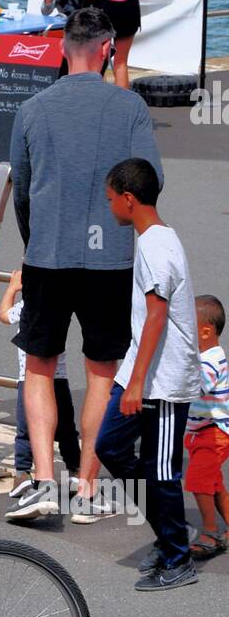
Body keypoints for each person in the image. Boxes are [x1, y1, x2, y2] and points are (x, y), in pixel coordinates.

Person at [6, 7, 163, 522]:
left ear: (61, 50)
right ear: (107, 50)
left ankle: (43, 480)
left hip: (47, 253)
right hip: (109, 260)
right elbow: (149, 180)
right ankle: (89, 489)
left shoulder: (31, 109)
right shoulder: (130, 107)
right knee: (101, 372)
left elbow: (22, 190)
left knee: (38, 366)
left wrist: (35, 245)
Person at [95, 158, 201, 590]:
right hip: (143, 371)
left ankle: (177, 558)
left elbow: (157, 317)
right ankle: (169, 530)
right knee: (110, 446)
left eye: (109, 200)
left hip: (164, 381)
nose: (108, 209)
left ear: (128, 198)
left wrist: (136, 383)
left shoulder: (157, 247)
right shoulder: (153, 239)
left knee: (162, 471)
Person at [0, 267, 80, 502]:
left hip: (30, 380)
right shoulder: (57, 303)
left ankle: (23, 473)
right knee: (66, 429)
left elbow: (3, 315)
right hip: (58, 379)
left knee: (26, 429)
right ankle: (75, 470)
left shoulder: (27, 305)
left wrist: (12, 288)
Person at [183, 294, 229, 559]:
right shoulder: (205, 355)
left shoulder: (212, 359)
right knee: (214, 484)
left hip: (214, 434)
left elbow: (197, 386)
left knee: (199, 482)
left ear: (205, 331)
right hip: (204, 431)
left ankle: (210, 532)